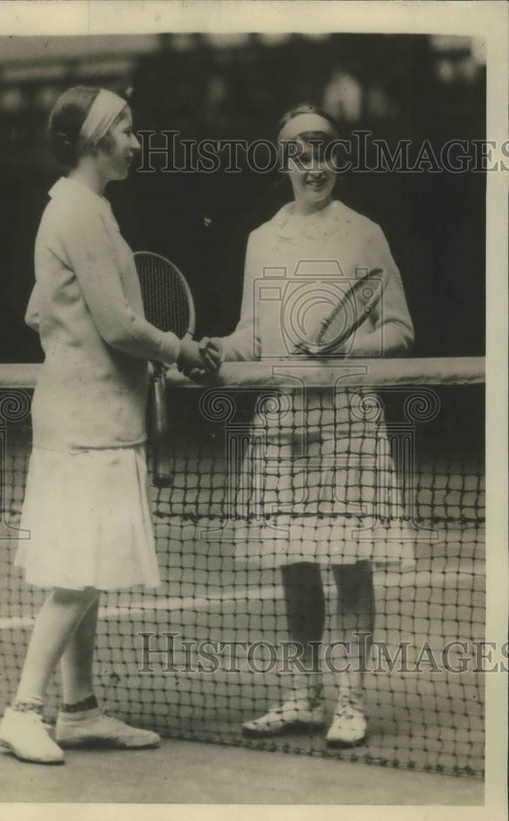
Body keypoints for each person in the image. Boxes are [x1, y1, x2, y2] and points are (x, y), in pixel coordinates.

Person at [0, 86, 208, 764]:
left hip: (90, 417)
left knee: (83, 571)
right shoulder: (82, 215)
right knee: (78, 575)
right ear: (93, 140)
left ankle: (79, 708)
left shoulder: (76, 210)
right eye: (126, 128)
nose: (137, 141)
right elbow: (118, 324)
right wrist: (177, 349)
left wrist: (78, 338)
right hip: (86, 424)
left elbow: (38, 311)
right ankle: (23, 709)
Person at [197, 104, 414, 748]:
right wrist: (213, 348)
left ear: (338, 158)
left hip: (346, 418)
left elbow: (401, 331)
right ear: (285, 160)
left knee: (348, 561)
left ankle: (349, 701)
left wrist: (344, 350)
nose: (314, 164)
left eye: (324, 151)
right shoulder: (262, 240)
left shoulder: (365, 233)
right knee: (293, 562)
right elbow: (251, 336)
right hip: (284, 419)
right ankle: (301, 695)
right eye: (301, 152)